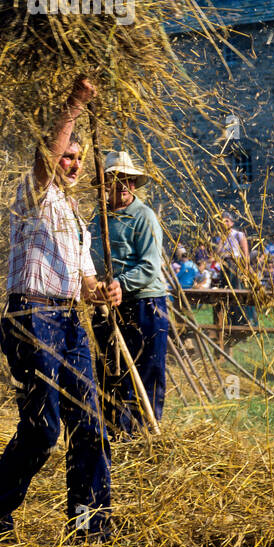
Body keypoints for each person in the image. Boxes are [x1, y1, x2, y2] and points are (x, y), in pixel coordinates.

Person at [0, 76, 122, 543]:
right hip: (31, 317)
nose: (72, 164)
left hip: (69, 319)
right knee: (43, 428)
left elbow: (87, 284)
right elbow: (45, 156)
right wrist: (76, 103)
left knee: (90, 423)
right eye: (66, 156)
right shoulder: (33, 193)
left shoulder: (77, 218)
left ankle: (90, 524)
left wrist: (105, 292)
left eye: (78, 159)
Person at [88, 152, 169, 434]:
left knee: (146, 372)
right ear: (105, 185)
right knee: (110, 372)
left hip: (145, 304)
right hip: (108, 306)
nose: (124, 185)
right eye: (116, 179)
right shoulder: (97, 219)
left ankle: (143, 435)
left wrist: (120, 283)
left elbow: (150, 266)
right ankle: (113, 434)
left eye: (129, 180)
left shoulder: (143, 217)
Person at [216, 213, 254, 330]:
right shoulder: (220, 237)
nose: (225, 223)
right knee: (225, 292)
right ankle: (229, 322)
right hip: (225, 266)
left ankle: (243, 322)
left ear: (232, 223)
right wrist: (222, 239)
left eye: (227, 221)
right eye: (223, 221)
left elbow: (245, 253)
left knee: (237, 291)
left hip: (236, 266)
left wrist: (246, 268)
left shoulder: (238, 234)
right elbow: (218, 253)